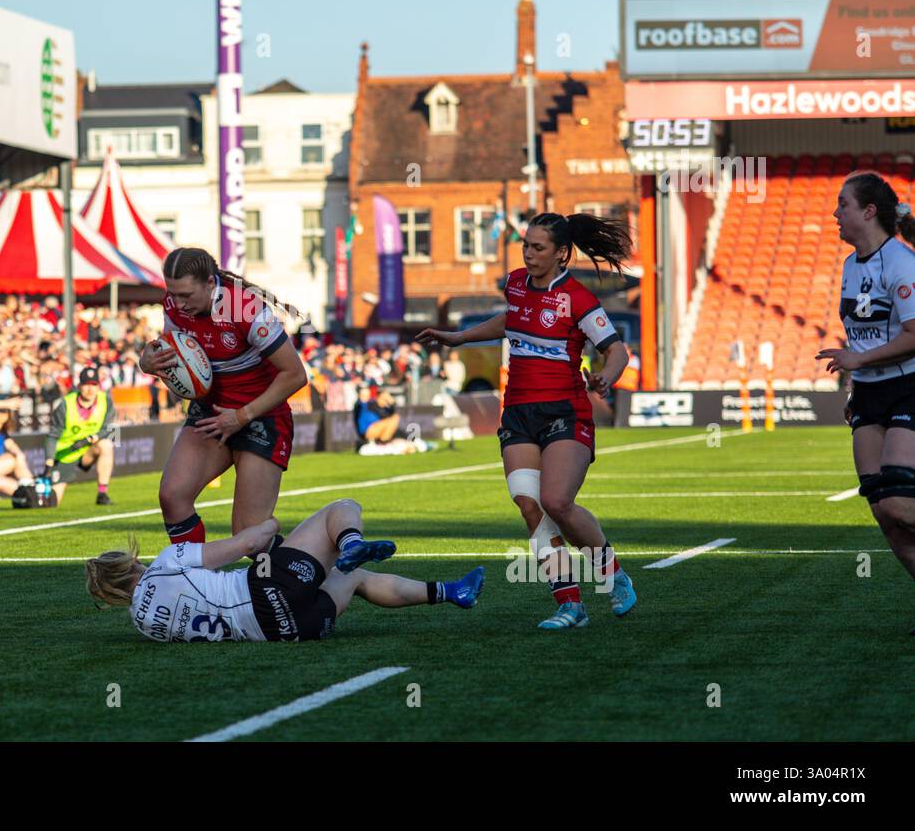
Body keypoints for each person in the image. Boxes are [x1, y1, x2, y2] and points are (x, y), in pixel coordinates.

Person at [417, 212, 638, 630]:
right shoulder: (516, 282)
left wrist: (605, 379)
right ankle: (570, 606)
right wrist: (459, 337)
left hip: (564, 410)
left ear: (560, 254)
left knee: (556, 501)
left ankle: (612, 573)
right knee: (530, 507)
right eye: (526, 246)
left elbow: (617, 351)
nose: (529, 254)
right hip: (518, 411)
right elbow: (512, 320)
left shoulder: (577, 298)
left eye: (538, 248)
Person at [85, 498, 486, 643]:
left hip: (284, 631)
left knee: (355, 579)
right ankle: (350, 543)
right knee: (341, 509)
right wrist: (268, 528)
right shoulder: (165, 562)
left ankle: (453, 592)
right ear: (130, 562)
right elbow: (243, 546)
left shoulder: (142, 626)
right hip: (264, 588)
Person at [139, 247, 308, 542]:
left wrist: (241, 417)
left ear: (209, 283)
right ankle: (192, 580)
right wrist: (148, 363)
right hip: (211, 414)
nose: (178, 304)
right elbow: (179, 370)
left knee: (249, 536)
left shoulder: (245, 309)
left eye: (186, 295)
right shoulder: (173, 305)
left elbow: (295, 375)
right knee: (172, 496)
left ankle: (315, 557)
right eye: (172, 294)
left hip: (260, 417)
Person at [818, 172, 915, 633]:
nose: (835, 213)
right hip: (869, 393)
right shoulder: (849, 264)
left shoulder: (901, 262)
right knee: (883, 512)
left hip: (908, 385)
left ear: (869, 211)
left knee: (899, 501)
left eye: (843, 204)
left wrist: (858, 359)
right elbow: (865, 330)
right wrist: (858, 380)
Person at [44, 367, 116, 507]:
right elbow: (52, 436)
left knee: (106, 445)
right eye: (86, 385)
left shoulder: (106, 401)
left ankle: (102, 494)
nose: (90, 389)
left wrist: (92, 438)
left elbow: (109, 428)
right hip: (65, 454)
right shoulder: (65, 405)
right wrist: (49, 462)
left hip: (86, 452)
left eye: (94, 385)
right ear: (79, 386)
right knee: (52, 502)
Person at [0, 400, 35, 490]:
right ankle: (32, 484)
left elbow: (12, 445)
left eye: (5, 412)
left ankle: (31, 486)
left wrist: (20, 455)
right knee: (12, 459)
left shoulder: (3, 432)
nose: (2, 415)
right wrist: (8, 403)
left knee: (17, 488)